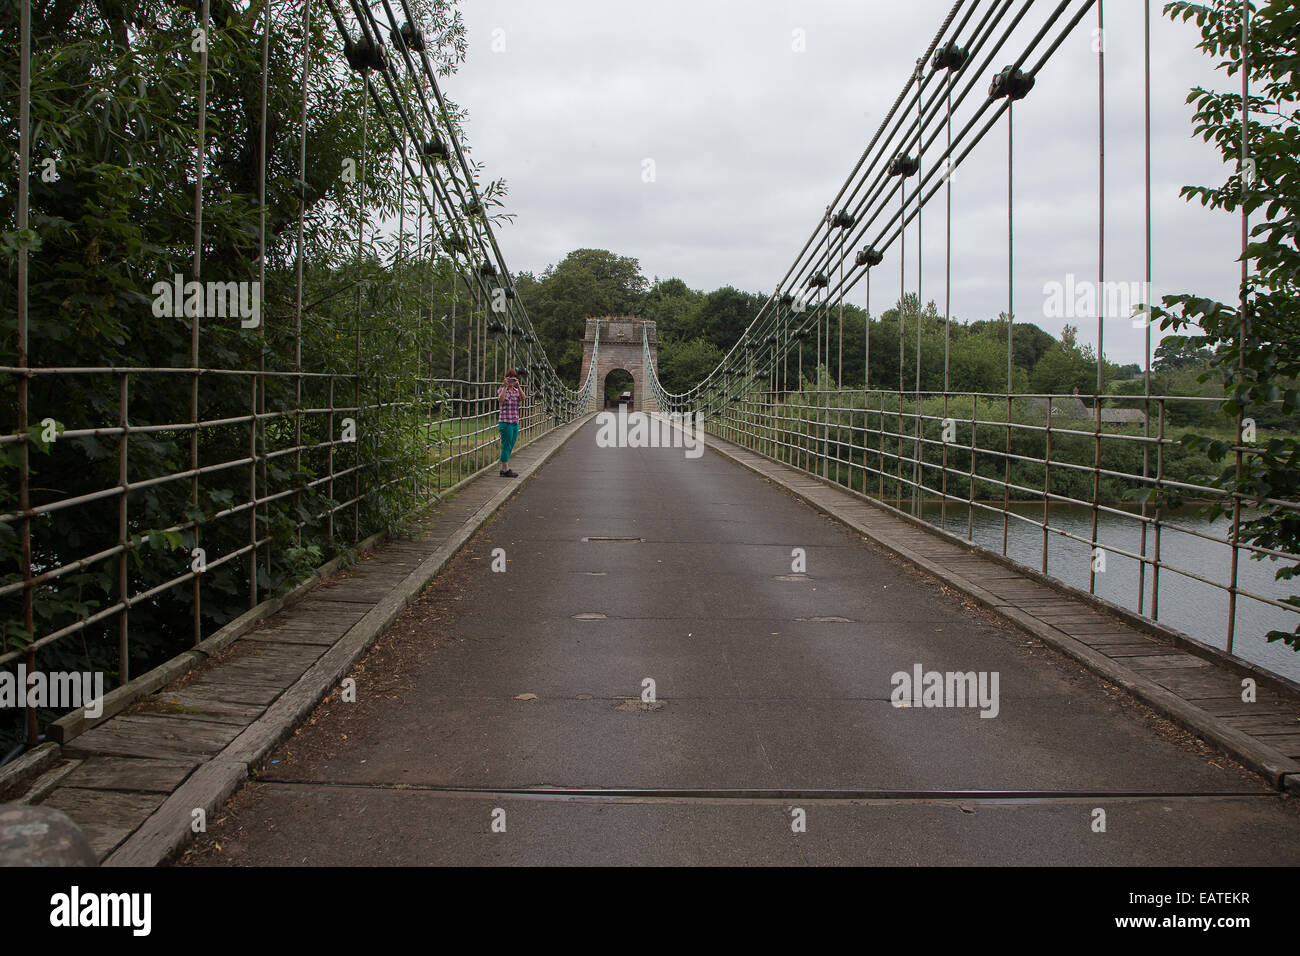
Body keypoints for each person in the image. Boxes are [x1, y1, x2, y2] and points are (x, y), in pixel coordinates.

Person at [497, 370, 524, 478]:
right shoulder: (501, 390)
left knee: (511, 444)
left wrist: (519, 386)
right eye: (509, 378)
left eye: (513, 378)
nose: (511, 381)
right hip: (505, 421)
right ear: (505, 379)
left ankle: (504, 468)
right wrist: (505, 387)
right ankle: (505, 469)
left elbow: (523, 398)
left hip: (515, 422)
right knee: (506, 445)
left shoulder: (517, 391)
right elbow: (501, 399)